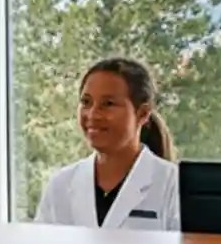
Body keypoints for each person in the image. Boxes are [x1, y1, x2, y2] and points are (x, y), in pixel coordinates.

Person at [35, 58, 180, 231]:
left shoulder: (173, 185)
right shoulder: (61, 184)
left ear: (142, 114)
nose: (93, 114)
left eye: (108, 104)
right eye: (86, 102)